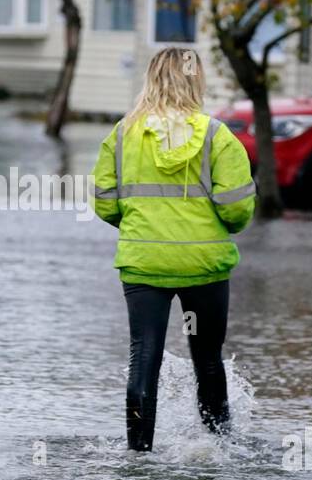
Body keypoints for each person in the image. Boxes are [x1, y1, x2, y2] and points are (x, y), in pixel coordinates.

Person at [92, 47, 257, 452]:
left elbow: (104, 202)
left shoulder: (122, 135)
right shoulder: (219, 137)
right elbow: (237, 209)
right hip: (204, 264)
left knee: (143, 356)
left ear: (151, 79)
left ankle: (138, 455)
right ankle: (220, 448)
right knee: (208, 359)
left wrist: (141, 229)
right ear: (194, 80)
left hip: (144, 262)